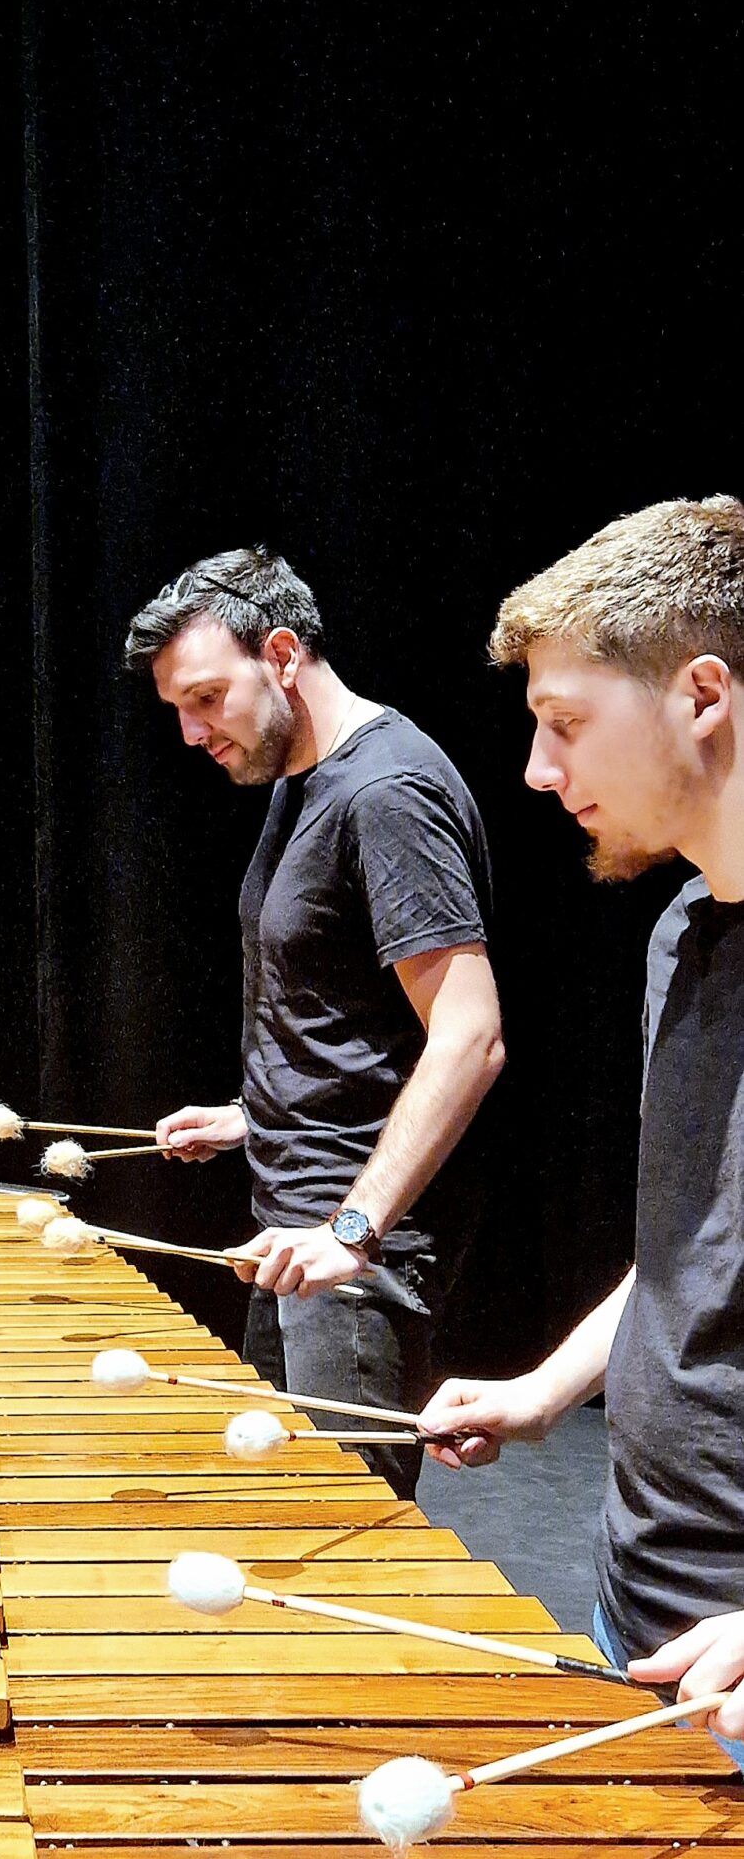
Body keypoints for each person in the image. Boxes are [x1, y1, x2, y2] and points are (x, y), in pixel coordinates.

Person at [418, 496, 744, 1764]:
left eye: (565, 726)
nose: (539, 772)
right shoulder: (682, 937)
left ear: (701, 695)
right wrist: (546, 1389)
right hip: (643, 1599)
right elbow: (690, 1253)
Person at [123, 546, 504, 1491]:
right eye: (177, 707)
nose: (190, 732)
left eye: (207, 698)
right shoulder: (301, 777)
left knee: (350, 1540)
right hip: (294, 1224)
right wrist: (256, 1114)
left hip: (352, 1248)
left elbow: (469, 1035)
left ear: (282, 653)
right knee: (279, 1513)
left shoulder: (386, 793)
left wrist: (354, 1229)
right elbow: (362, 1022)